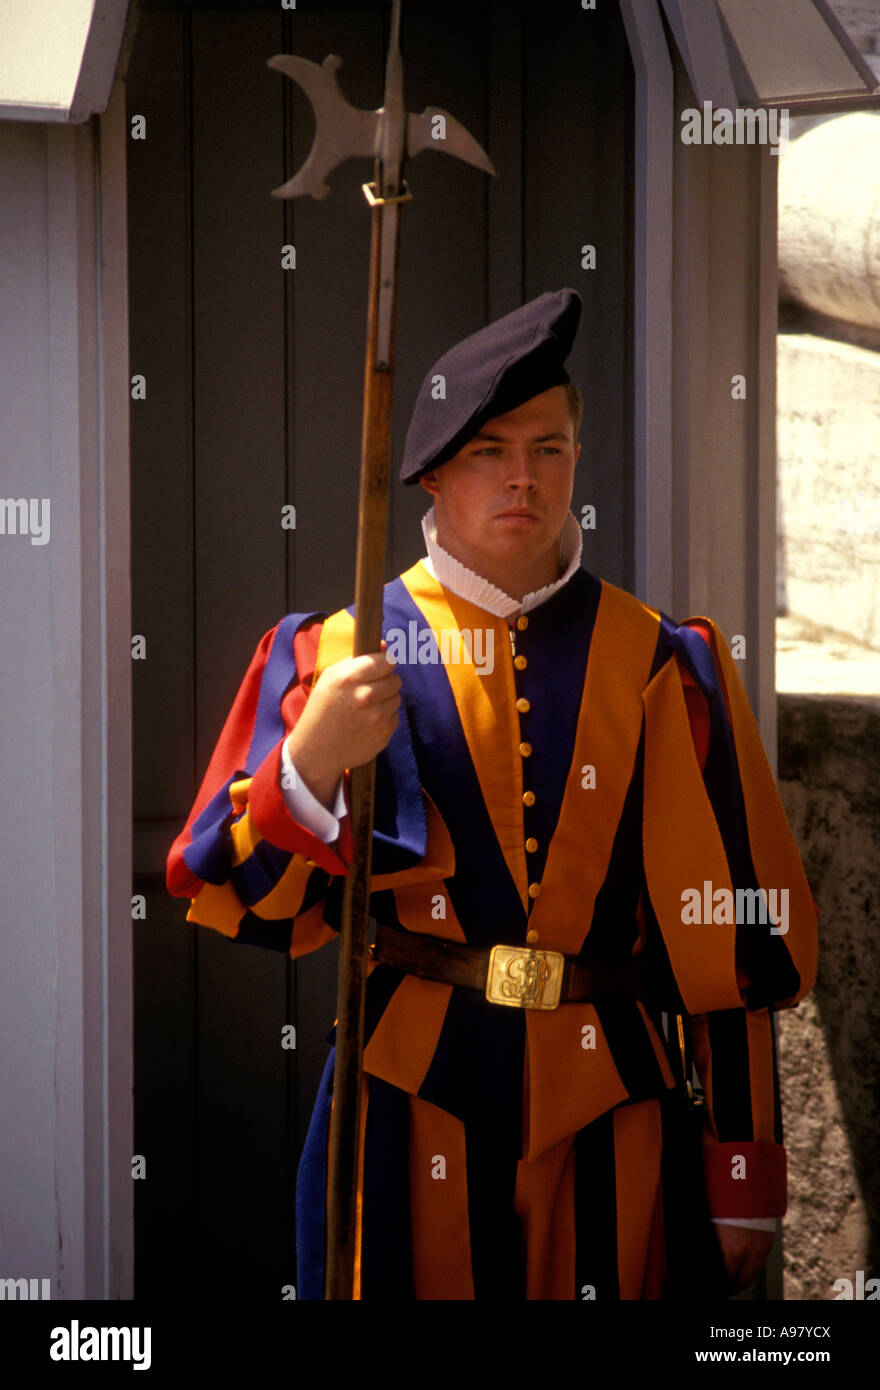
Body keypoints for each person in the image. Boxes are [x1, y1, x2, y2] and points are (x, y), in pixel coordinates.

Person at [166, 289, 817, 1301]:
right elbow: (234, 897)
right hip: (406, 1103)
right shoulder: (334, 653)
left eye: (549, 449)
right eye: (489, 451)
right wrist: (313, 759)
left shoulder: (663, 664)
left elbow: (730, 947)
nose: (524, 476)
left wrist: (742, 1173)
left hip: (616, 1110)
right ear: (431, 472)